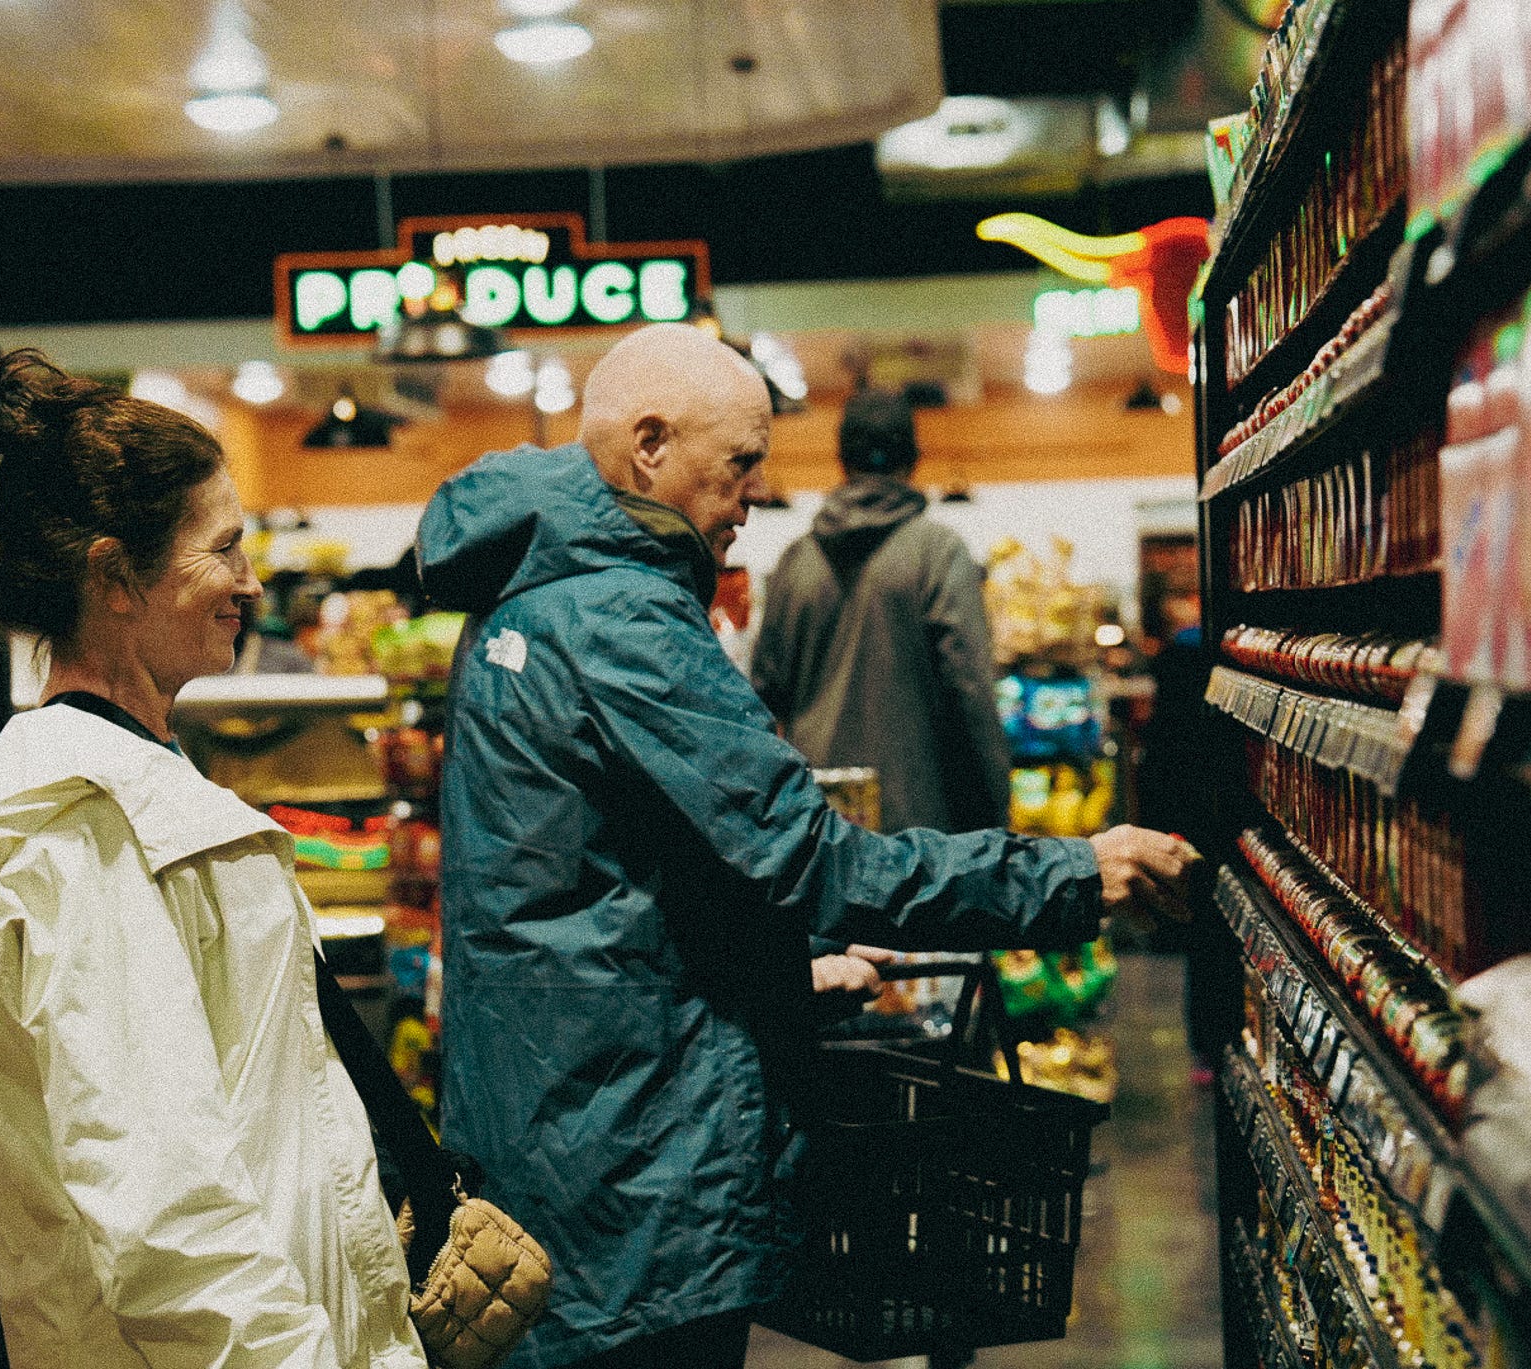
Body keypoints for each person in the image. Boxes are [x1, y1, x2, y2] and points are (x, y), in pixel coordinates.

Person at [416, 323, 1199, 1369]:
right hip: (632, 1155)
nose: (756, 493)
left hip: (560, 1115)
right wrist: (1068, 869)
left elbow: (608, 877)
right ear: (650, 446)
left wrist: (789, 965)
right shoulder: (620, 617)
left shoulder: (527, 594)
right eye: (741, 462)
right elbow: (812, 860)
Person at [0, 351, 427, 1369]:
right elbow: (168, 1223)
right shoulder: (81, 838)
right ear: (114, 577)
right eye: (223, 550)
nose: (250, 582)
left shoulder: (137, 788)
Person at [751, 388, 1012, 835]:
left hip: (816, 822)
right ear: (913, 460)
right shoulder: (938, 554)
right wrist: (992, 821)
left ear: (842, 461)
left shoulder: (796, 561)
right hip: (920, 827)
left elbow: (761, 696)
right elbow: (970, 691)